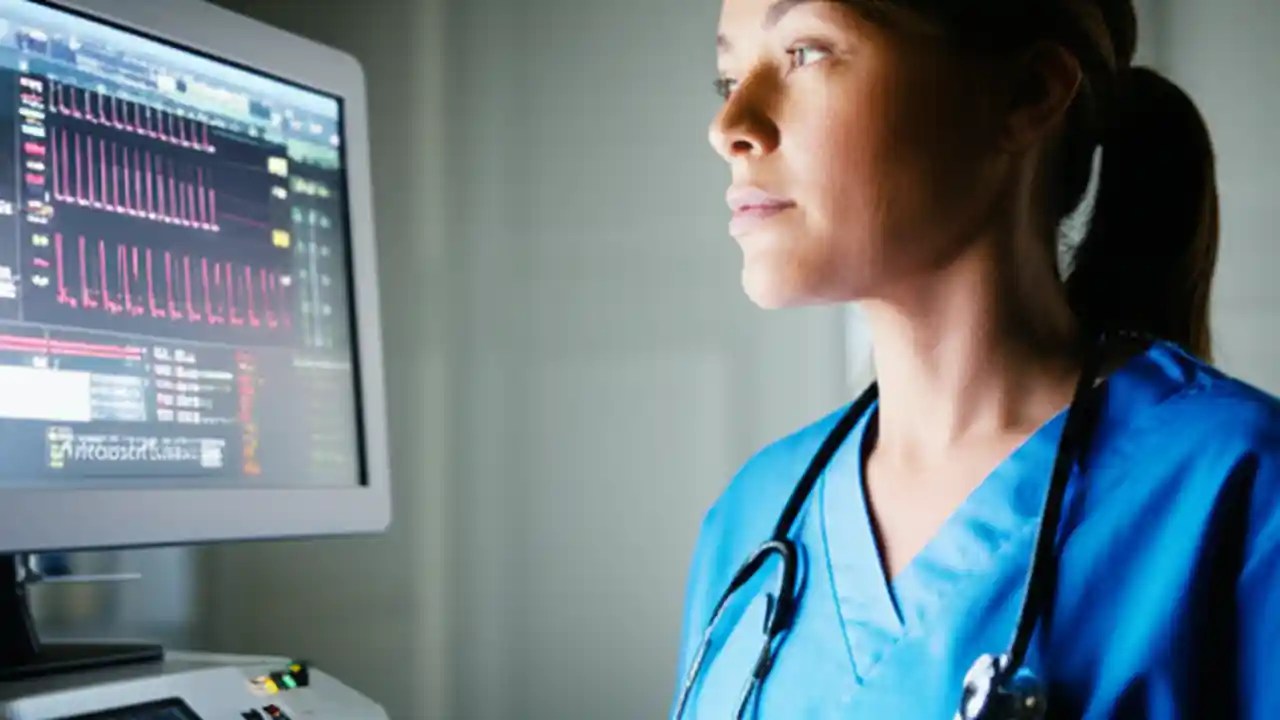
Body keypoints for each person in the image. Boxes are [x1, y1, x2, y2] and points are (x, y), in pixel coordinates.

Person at [672, 0, 1280, 717]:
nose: (729, 126)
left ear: (1027, 93)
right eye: (727, 78)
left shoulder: (1237, 487)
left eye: (805, 52)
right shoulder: (751, 519)